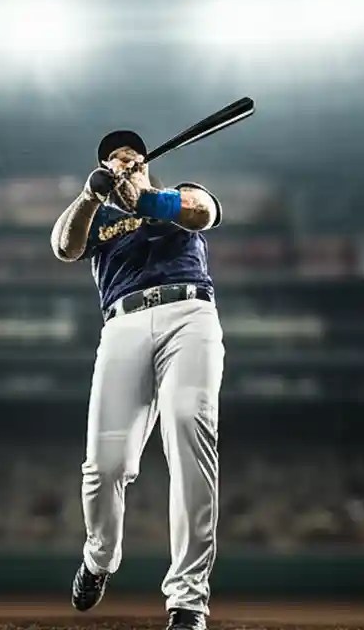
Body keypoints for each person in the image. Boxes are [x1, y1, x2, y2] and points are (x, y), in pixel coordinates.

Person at [50, 129, 225, 630]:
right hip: (122, 323)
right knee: (104, 466)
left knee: (190, 432)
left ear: (146, 165)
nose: (123, 162)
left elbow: (204, 211)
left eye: (131, 157)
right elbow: (64, 246)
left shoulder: (176, 195)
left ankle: (188, 600)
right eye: (113, 159)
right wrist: (90, 193)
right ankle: (99, 557)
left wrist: (146, 197)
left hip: (188, 313)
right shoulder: (99, 215)